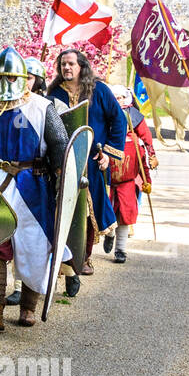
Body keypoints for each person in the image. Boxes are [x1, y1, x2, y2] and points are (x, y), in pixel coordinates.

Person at [0, 47, 68, 329]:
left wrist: (61, 177)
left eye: (13, 78)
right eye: (3, 78)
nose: (8, 83)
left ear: (22, 78)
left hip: (32, 185)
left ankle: (28, 308)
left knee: (34, 245)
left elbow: (59, 146)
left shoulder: (42, 107)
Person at [45, 49, 126, 275]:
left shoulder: (98, 90)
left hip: (91, 161)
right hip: (61, 162)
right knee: (61, 208)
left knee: (88, 211)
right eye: (63, 64)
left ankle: (84, 257)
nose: (66, 68)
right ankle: (63, 257)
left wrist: (108, 154)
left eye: (71, 63)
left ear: (81, 66)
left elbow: (118, 120)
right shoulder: (53, 94)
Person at [104, 85, 157, 263]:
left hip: (127, 179)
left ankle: (121, 249)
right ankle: (109, 233)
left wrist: (152, 157)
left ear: (126, 98)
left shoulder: (134, 117)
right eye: (114, 97)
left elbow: (147, 140)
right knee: (106, 211)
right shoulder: (106, 114)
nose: (117, 101)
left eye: (120, 98)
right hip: (107, 178)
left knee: (126, 215)